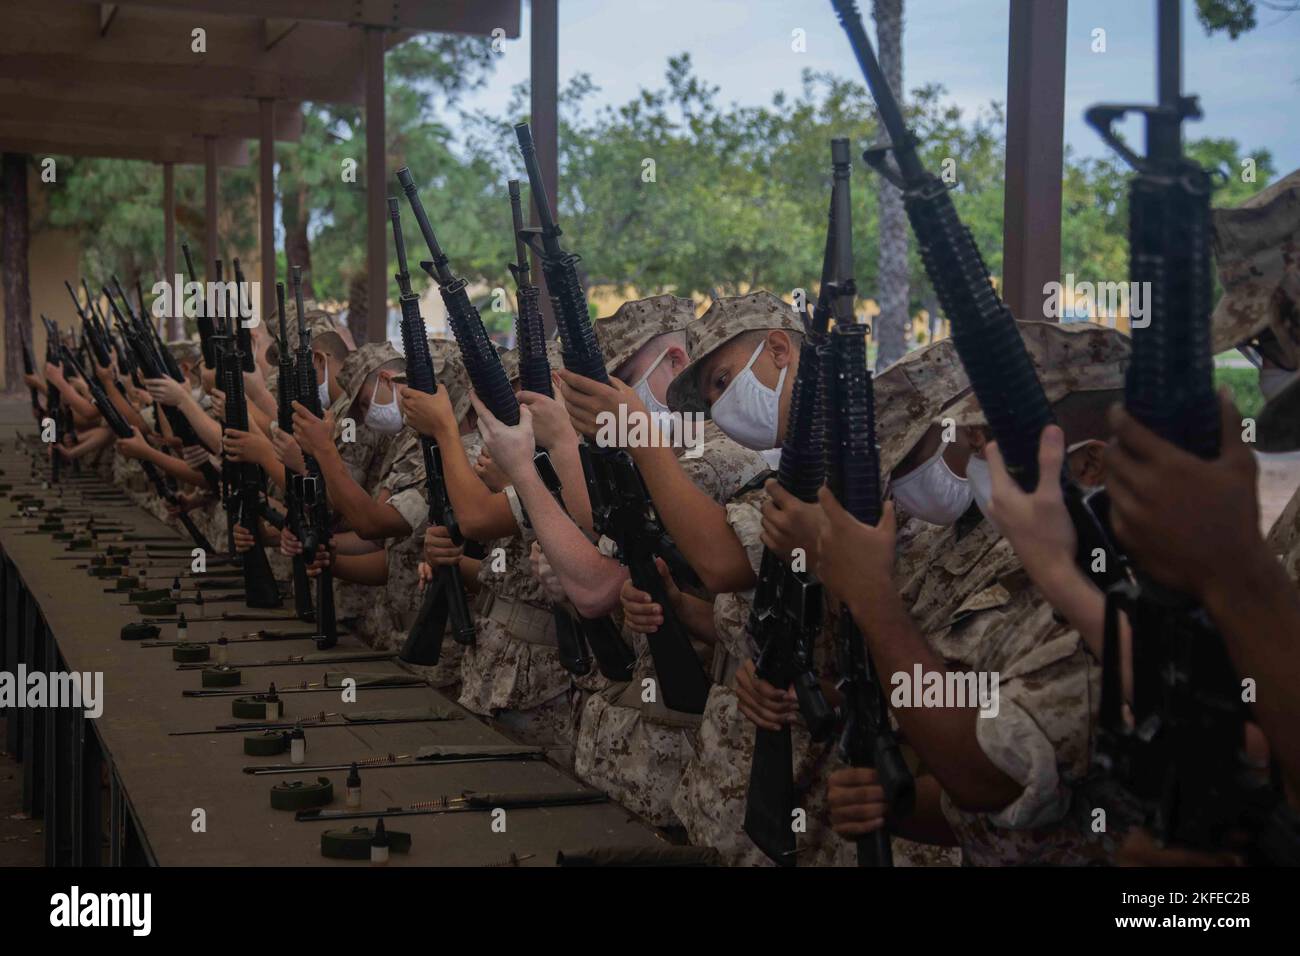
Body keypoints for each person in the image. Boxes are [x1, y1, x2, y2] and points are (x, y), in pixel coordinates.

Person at [812, 320, 1133, 865]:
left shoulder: (1115, 586)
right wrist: (897, 802)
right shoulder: (1038, 556)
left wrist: (873, 597)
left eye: (992, 440)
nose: (974, 453)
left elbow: (986, 776)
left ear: (1087, 463)